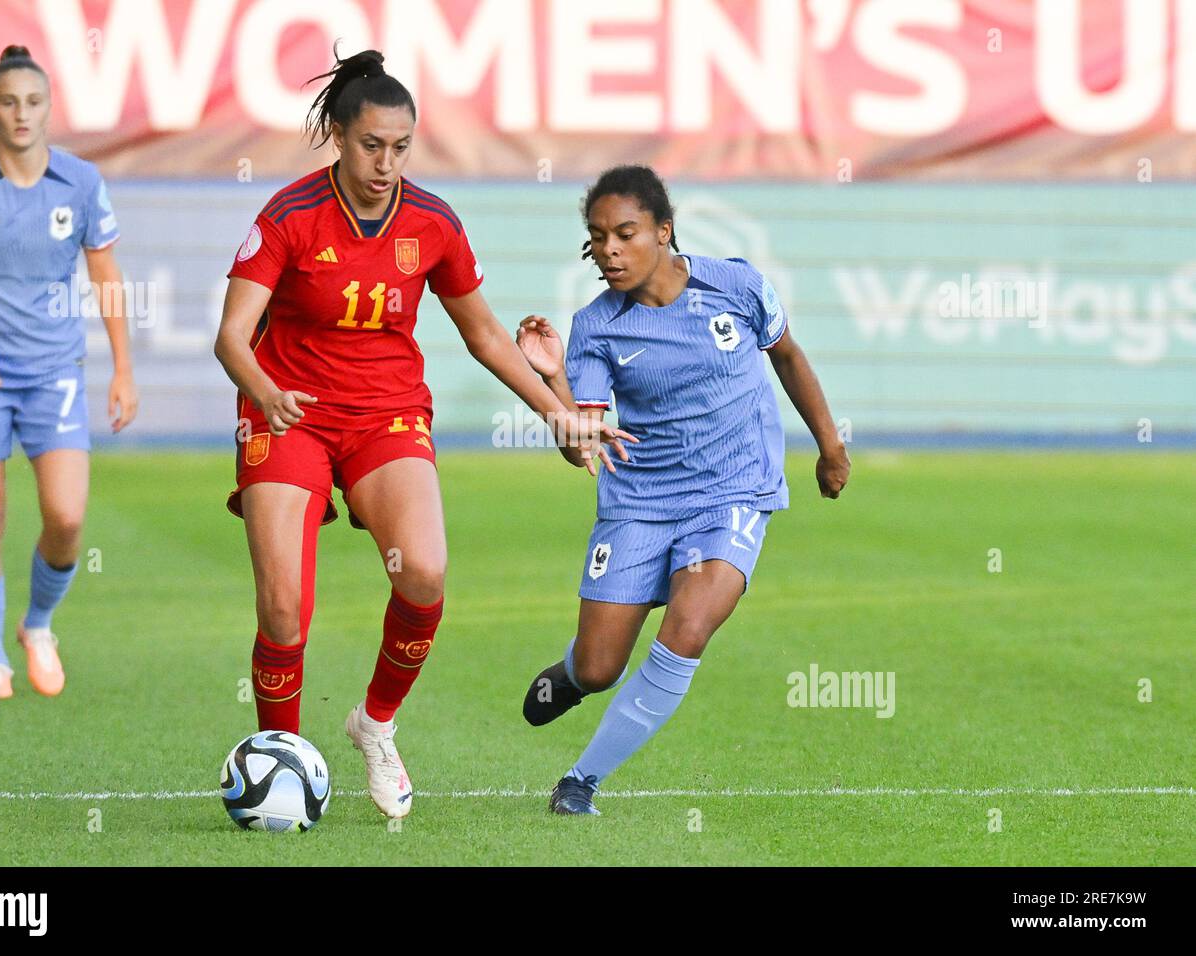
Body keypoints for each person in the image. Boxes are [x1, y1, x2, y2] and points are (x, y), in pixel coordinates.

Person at [213, 47, 631, 820]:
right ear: (338, 136)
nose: (386, 163)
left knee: (425, 574)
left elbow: (485, 335)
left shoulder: (432, 222)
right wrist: (266, 392)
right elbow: (232, 336)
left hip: (385, 415)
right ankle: (284, 765)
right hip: (289, 412)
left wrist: (556, 412)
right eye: (372, 145)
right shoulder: (287, 216)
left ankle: (373, 723)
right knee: (282, 608)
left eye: (401, 147)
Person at [515, 165, 850, 815]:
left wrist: (829, 446)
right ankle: (577, 674)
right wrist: (554, 381)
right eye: (597, 238)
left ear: (664, 231)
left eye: (625, 233)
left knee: (689, 625)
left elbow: (788, 356)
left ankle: (580, 781)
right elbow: (579, 441)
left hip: (733, 493)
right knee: (602, 665)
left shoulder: (738, 286)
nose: (609, 250)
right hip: (638, 504)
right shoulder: (596, 327)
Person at [0, 45, 138, 701]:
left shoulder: (81, 181)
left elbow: (105, 275)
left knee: (67, 519)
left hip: (54, 374)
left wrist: (123, 368)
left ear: (48, 108)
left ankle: (36, 625)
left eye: (33, 101)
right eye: (8, 102)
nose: (21, 113)